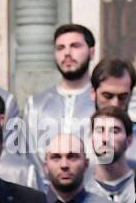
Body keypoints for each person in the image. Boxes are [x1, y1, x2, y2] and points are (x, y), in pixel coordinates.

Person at [21, 24, 96, 162]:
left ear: (92, 52)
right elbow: (30, 158)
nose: (67, 53)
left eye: (75, 46)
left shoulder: (103, 101)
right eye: (60, 48)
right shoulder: (35, 105)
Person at [89, 57, 136, 168]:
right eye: (107, 96)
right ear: (93, 93)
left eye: (122, 97)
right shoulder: (76, 138)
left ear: (131, 95)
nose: (115, 104)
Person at [87, 107, 136, 203]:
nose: (105, 138)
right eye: (100, 130)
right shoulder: (82, 190)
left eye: (114, 131)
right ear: (91, 139)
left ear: (129, 140)